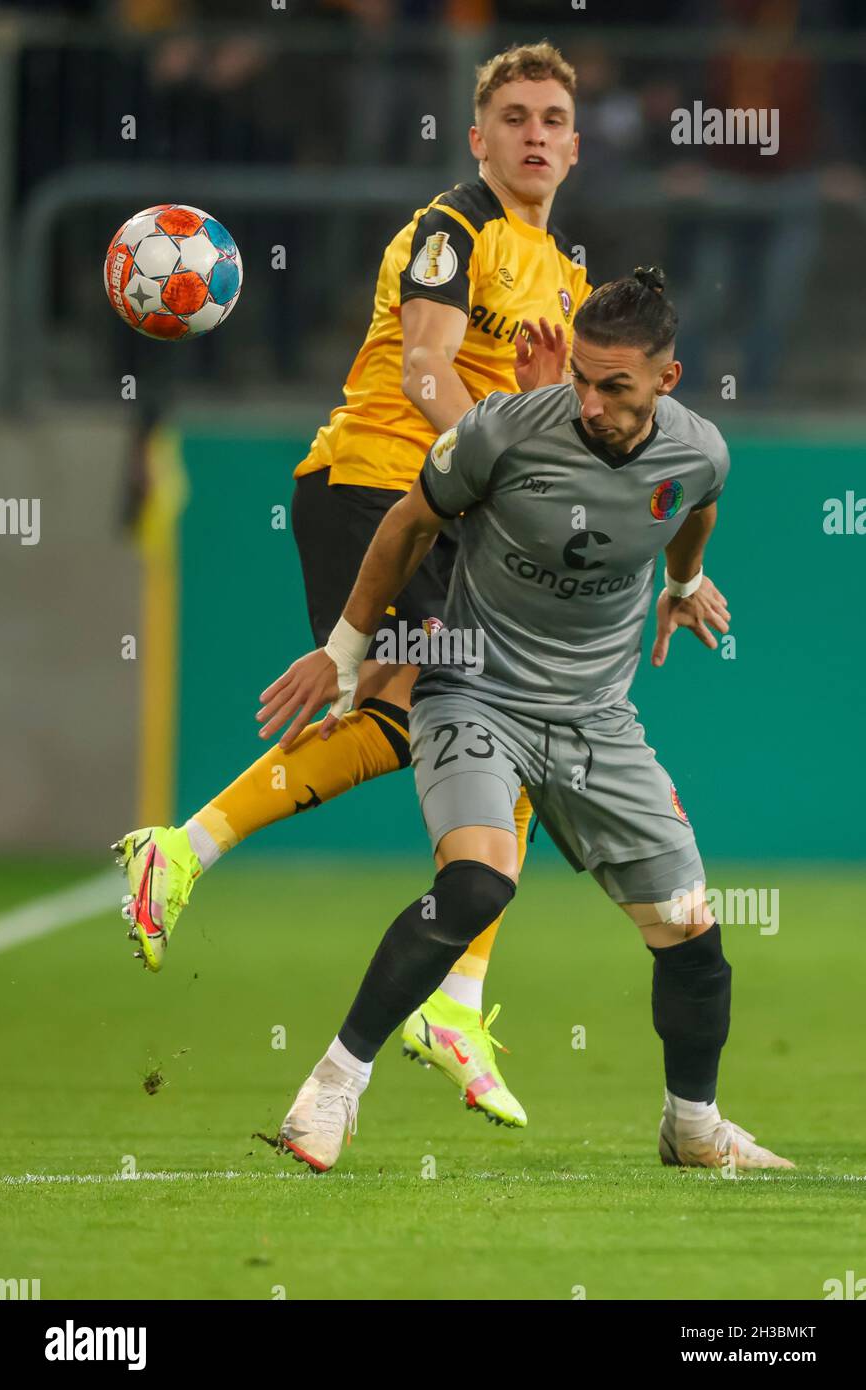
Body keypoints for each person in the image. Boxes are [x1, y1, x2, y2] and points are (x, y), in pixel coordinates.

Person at [113, 41, 592, 1129]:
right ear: (478, 137)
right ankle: (440, 994)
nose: (533, 133)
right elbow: (425, 371)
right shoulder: (449, 231)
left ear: (574, 141)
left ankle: (196, 856)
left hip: (447, 519)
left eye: (552, 117)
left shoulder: (564, 278)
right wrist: (498, 456)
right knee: (481, 705)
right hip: (372, 489)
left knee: (500, 710)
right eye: (512, 115)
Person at [269, 267, 794, 1174]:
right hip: (474, 689)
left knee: (690, 931)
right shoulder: (501, 432)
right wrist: (346, 654)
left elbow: (692, 508)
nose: (587, 400)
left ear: (665, 381)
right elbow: (404, 526)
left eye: (613, 385)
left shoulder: (699, 451)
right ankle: (332, 1084)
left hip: (596, 718)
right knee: (477, 883)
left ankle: (694, 1127)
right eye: (581, 377)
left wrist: (681, 583)